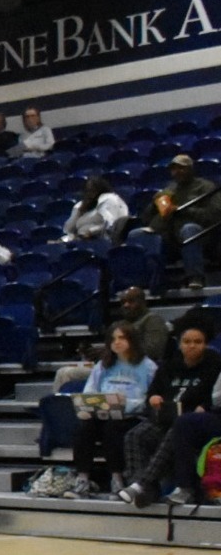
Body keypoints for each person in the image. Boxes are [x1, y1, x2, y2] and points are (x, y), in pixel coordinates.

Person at [119, 325, 221, 506]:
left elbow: (214, 399)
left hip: (193, 422)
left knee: (177, 429)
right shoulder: (168, 366)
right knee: (135, 435)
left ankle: (141, 484)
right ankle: (146, 490)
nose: (192, 346)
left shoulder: (214, 365)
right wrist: (153, 399)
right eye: (187, 341)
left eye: (198, 342)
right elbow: (152, 394)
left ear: (206, 345)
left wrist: (205, 407)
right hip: (166, 417)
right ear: (179, 344)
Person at [70, 321, 157, 497]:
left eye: (122, 338)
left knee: (113, 426)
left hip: (132, 415)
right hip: (103, 411)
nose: (117, 342)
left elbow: (150, 398)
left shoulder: (148, 367)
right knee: (84, 426)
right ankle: (82, 478)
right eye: (113, 339)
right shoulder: (103, 364)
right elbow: (90, 390)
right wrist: (93, 403)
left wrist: (126, 404)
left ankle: (116, 478)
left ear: (132, 340)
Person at [135, 154, 221, 292]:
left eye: (181, 168)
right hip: (171, 238)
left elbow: (215, 215)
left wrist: (182, 210)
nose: (177, 172)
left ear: (191, 169)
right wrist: (154, 204)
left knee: (189, 229)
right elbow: (146, 219)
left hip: (202, 237)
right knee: (138, 234)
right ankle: (145, 281)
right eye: (173, 169)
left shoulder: (206, 186)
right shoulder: (169, 189)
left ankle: (195, 277)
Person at [64, 176, 130, 243]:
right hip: (81, 240)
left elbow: (111, 225)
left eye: (92, 190)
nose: (89, 194)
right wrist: (78, 212)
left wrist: (91, 231)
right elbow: (68, 229)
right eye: (87, 191)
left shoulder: (109, 199)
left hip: (104, 240)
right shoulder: (80, 205)